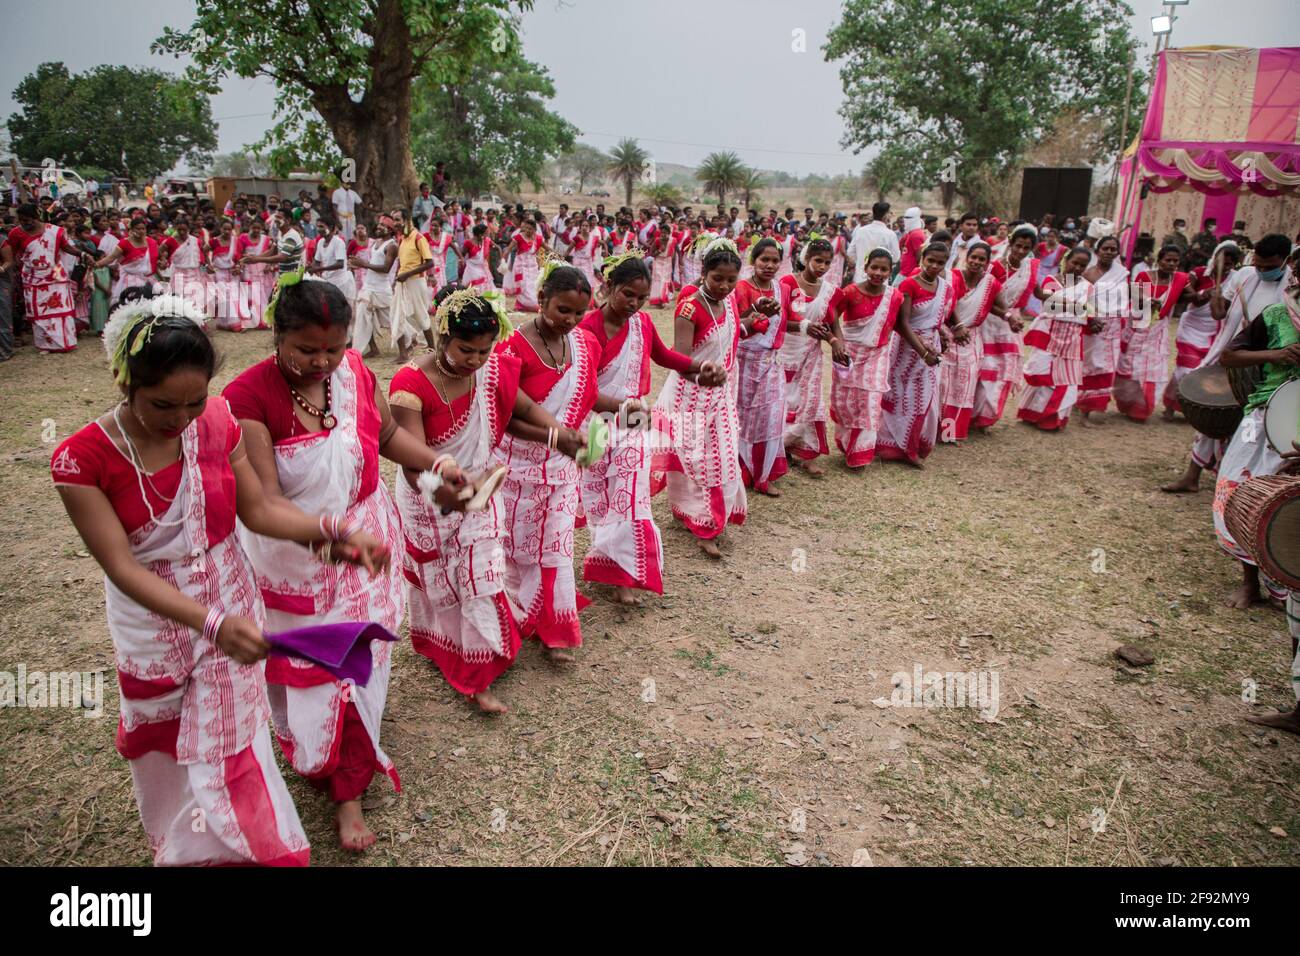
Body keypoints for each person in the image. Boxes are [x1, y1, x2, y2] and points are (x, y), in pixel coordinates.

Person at [51, 291, 387, 866]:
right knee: (168, 743)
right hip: (155, 625)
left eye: (195, 402)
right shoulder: (81, 460)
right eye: (162, 407)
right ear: (122, 381)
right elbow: (123, 567)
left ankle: (260, 850)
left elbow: (257, 511)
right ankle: (186, 847)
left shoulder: (216, 422)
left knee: (233, 742)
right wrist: (208, 622)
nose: (181, 421)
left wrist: (332, 529)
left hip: (230, 598)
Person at [224, 275, 439, 851]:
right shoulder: (246, 400)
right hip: (296, 559)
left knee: (354, 669)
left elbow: (388, 433)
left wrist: (437, 464)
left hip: (364, 543)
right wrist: (328, 534)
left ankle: (349, 790)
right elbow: (263, 504)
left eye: (334, 348)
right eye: (307, 349)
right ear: (276, 336)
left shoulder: (355, 374)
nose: (323, 362)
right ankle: (317, 753)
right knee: (315, 674)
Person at [578, 254, 722, 603]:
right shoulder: (585, 330)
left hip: (633, 422)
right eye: (628, 294)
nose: (635, 304)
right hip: (596, 424)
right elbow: (585, 391)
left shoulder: (642, 324)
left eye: (642, 298)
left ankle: (626, 575)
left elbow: (666, 357)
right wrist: (620, 408)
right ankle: (607, 557)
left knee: (630, 496)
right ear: (609, 286)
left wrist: (699, 367)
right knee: (600, 495)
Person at [495, 265, 597, 661]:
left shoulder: (583, 344)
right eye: (562, 310)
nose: (570, 321)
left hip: (560, 466)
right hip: (514, 467)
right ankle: (516, 615)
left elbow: (585, 399)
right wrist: (556, 437)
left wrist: (580, 438)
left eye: (578, 313)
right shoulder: (511, 346)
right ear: (541, 300)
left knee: (555, 547)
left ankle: (556, 630)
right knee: (515, 549)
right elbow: (505, 415)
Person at [1162, 233, 1293, 493]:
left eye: (1269, 266)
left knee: (1250, 430)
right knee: (1212, 417)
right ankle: (1192, 477)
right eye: (1258, 265)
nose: (1262, 271)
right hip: (1233, 355)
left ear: (1285, 260)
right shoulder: (1244, 276)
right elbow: (1219, 314)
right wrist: (1217, 294)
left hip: (1268, 366)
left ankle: (1241, 486)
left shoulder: (1292, 284)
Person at [1213, 279, 1300, 608]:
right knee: (1245, 492)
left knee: (1290, 504)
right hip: (1267, 416)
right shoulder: (1276, 315)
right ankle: (1250, 582)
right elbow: (1230, 356)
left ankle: (1285, 584)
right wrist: (1277, 354)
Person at [778, 237, 845, 475]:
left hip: (810, 354)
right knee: (784, 402)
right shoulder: (787, 283)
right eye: (818, 261)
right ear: (806, 259)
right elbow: (779, 320)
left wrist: (837, 342)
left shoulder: (829, 292)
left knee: (811, 402)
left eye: (827, 263)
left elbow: (833, 323)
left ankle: (808, 455)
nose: (822, 267)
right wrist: (804, 327)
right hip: (784, 351)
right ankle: (780, 449)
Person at [879, 242, 949, 465]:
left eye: (940, 262)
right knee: (900, 396)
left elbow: (938, 320)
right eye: (931, 261)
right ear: (922, 259)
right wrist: (922, 351)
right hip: (907, 348)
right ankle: (892, 446)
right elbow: (903, 322)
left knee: (923, 398)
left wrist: (944, 334)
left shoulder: (945, 287)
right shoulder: (909, 285)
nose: (934, 266)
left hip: (931, 346)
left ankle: (912, 446)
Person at [832, 248, 904, 468]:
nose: (878, 273)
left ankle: (861, 453)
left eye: (884, 269)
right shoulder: (851, 292)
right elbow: (833, 313)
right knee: (847, 403)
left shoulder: (895, 296)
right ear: (866, 267)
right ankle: (848, 443)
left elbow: (897, 323)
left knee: (871, 402)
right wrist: (839, 340)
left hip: (877, 355)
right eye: (874, 267)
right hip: (851, 355)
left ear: (890, 271)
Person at [1017, 245, 1095, 430]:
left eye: (1082, 266)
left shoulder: (1087, 287)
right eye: (1074, 263)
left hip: (1073, 338)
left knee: (1064, 380)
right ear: (1066, 260)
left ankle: (1052, 419)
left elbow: (1090, 311)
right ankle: (1031, 413)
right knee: (1039, 373)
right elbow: (1049, 305)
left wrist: (1091, 317)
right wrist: (1078, 307)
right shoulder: (1052, 280)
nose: (1077, 268)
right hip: (1049, 335)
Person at [733, 238, 789, 494]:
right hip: (745, 361)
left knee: (770, 416)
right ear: (753, 261)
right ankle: (741, 469)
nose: (769, 265)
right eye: (764, 260)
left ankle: (763, 474)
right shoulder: (741, 288)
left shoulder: (781, 289)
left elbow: (791, 322)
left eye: (775, 261)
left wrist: (814, 328)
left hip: (771, 362)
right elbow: (736, 324)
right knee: (743, 416)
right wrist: (755, 311)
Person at [1162, 243, 1242, 420]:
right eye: (1223, 262)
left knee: (1203, 372)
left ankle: (1193, 409)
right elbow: (1185, 297)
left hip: (1216, 330)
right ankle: (1170, 405)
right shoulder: (1198, 273)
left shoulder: (1237, 279)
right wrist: (1205, 293)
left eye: (1230, 264)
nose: (1225, 266)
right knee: (1184, 370)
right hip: (1192, 326)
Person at [1113, 244, 1191, 422]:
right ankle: (1128, 403)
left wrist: (1205, 293)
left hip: (1158, 330)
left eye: (1175, 261)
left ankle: (1142, 409)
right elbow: (1135, 298)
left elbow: (1191, 296)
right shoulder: (1145, 276)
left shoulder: (1180, 279)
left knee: (1152, 369)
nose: (1171, 264)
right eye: (1167, 260)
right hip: (1139, 325)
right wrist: (1148, 301)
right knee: (1132, 367)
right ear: (1159, 260)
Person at [939, 242, 1002, 442]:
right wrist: (954, 328)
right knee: (941, 384)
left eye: (981, 259)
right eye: (973, 257)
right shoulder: (951, 276)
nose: (976, 262)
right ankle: (934, 429)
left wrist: (1009, 316)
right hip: (945, 336)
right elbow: (942, 304)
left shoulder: (990, 283)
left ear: (987, 262)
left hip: (970, 340)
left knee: (962, 387)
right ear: (967, 257)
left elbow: (999, 306)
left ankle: (950, 433)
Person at [1, 202, 82, 352]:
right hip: (32, 278)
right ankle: (45, 345)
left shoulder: (55, 231)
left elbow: (66, 247)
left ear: (36, 217)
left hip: (56, 277)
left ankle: (65, 343)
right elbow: (13, 254)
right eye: (21, 220)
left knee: (61, 311)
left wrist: (82, 254)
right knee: (39, 314)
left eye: (27, 220)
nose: (24, 223)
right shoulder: (15, 234)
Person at [1077, 234, 1129, 423]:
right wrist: (1092, 318)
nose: (1109, 252)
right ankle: (1083, 407)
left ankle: (1093, 406)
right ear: (1097, 251)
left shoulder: (1122, 274)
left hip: (1113, 326)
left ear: (1117, 252)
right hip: (1092, 324)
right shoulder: (1088, 273)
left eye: (1113, 249)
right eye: (1105, 248)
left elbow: (1125, 299)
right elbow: (1081, 299)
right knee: (1090, 364)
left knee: (1106, 366)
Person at [390, 209, 436, 363]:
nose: (395, 223)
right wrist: (397, 277)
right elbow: (401, 262)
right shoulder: (401, 238)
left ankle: (433, 350)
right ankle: (403, 353)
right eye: (393, 220)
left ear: (407, 220)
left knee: (421, 316)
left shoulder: (419, 238)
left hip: (416, 282)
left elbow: (430, 263)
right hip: (402, 282)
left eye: (397, 219)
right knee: (398, 315)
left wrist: (407, 274)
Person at [351, 216, 398, 358]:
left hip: (381, 289)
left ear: (389, 230)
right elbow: (372, 262)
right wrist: (356, 264)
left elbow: (385, 268)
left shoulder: (392, 245)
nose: (378, 227)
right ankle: (366, 350)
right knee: (362, 317)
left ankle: (408, 344)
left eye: (382, 226)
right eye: (377, 225)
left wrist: (363, 264)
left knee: (392, 319)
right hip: (368, 287)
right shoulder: (376, 242)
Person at [233, 217, 275, 329]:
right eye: (254, 227)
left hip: (261, 269)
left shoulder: (266, 239)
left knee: (261, 296)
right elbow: (238, 253)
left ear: (261, 228)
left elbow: (272, 253)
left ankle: (260, 320)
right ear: (250, 227)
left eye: (258, 228)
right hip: (247, 269)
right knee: (248, 295)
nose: (256, 230)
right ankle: (247, 320)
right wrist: (239, 264)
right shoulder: (243, 238)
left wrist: (269, 265)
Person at [306, 218, 357, 307]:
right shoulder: (321, 242)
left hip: (341, 283)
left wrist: (320, 268)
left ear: (331, 228)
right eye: (317, 226)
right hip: (327, 281)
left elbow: (340, 264)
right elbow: (317, 262)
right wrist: (308, 268)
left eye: (321, 226)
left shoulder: (338, 242)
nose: (319, 229)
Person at [460, 223, 495, 291]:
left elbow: (497, 247)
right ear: (480, 235)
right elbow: (462, 254)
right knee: (474, 288)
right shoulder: (468, 242)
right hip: (472, 268)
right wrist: (461, 261)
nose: (487, 236)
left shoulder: (485, 241)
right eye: (486, 234)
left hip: (482, 267)